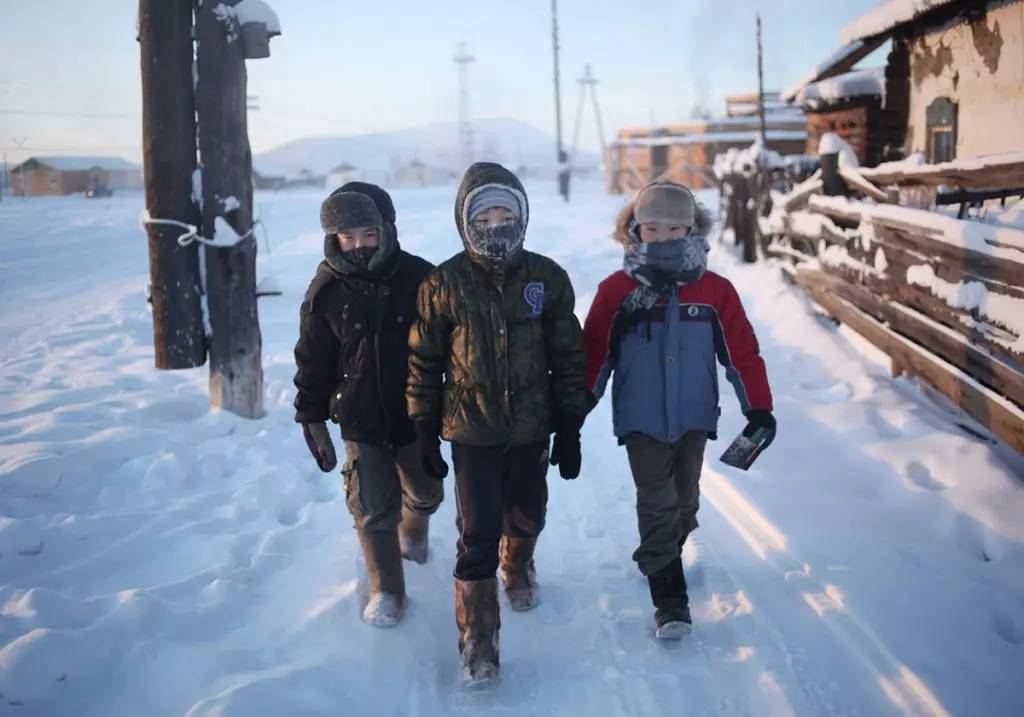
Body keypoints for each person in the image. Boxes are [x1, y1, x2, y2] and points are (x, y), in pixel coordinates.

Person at [406, 161, 591, 685]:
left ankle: (519, 565)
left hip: (532, 427)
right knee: (478, 532)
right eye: (482, 215)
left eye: (505, 213)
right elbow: (423, 361)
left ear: (523, 216)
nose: (495, 224)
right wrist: (423, 427)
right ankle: (479, 642)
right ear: (465, 221)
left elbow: (568, 355)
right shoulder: (443, 283)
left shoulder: (547, 278)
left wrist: (571, 424)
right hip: (471, 432)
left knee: (528, 514)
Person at [582, 180, 775, 639]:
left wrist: (759, 408)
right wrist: (574, 410)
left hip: (693, 417)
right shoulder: (617, 291)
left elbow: (742, 353)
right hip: (640, 418)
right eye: (651, 228)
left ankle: (663, 549)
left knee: (684, 503)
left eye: (673, 229)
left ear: (690, 230)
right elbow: (593, 354)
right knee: (657, 502)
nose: (662, 237)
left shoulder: (714, 291)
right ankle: (670, 600)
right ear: (635, 230)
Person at [293, 182, 443, 628]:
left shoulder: (421, 278)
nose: (358, 246)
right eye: (347, 237)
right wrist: (311, 415)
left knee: (426, 492)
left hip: (416, 415)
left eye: (368, 234)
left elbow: (451, 345)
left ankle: (415, 531)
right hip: (360, 417)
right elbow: (313, 357)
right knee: (372, 507)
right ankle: (387, 590)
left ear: (387, 229)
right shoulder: (326, 290)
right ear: (333, 239)